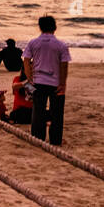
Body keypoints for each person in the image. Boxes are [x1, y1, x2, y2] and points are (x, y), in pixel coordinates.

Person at [24, 15, 71, 146]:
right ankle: (55, 140)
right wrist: (63, 83)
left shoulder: (33, 43)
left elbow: (26, 61)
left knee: (38, 112)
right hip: (55, 82)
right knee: (57, 113)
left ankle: (37, 139)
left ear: (40, 27)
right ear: (54, 27)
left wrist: (29, 78)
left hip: (38, 81)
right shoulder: (61, 45)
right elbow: (64, 65)